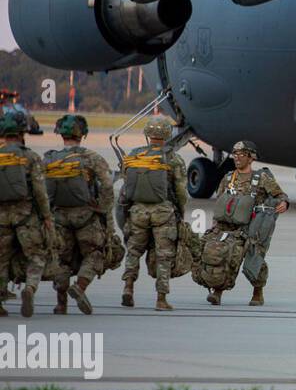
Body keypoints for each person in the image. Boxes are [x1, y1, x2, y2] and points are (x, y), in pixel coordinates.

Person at [195, 140, 288, 306]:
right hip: (227, 227)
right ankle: (217, 291)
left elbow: (279, 195)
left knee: (254, 260)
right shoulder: (228, 178)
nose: (237, 158)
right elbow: (221, 201)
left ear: (251, 158)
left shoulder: (261, 178)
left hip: (251, 228)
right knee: (221, 255)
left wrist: (284, 203)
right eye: (235, 154)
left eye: (242, 154)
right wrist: (215, 225)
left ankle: (257, 291)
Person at [44, 114, 114, 314]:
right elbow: (107, 185)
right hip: (86, 216)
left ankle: (61, 303)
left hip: (59, 216)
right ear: (82, 135)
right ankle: (80, 286)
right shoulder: (91, 158)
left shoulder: (49, 158)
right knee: (94, 253)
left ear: (61, 134)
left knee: (62, 259)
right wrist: (102, 206)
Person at [119, 116, 188, 310]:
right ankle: (161, 299)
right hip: (163, 212)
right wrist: (180, 211)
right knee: (164, 255)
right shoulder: (173, 158)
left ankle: (128, 288)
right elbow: (181, 190)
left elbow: (127, 184)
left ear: (147, 134)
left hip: (138, 211)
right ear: (167, 134)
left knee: (133, 251)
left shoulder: (134, 155)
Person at [0, 110, 55, 317]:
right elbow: (40, 192)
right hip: (25, 216)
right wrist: (47, 217)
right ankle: (30, 288)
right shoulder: (30, 157)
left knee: (1, 260)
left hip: (1, 218)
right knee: (37, 256)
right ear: (22, 132)